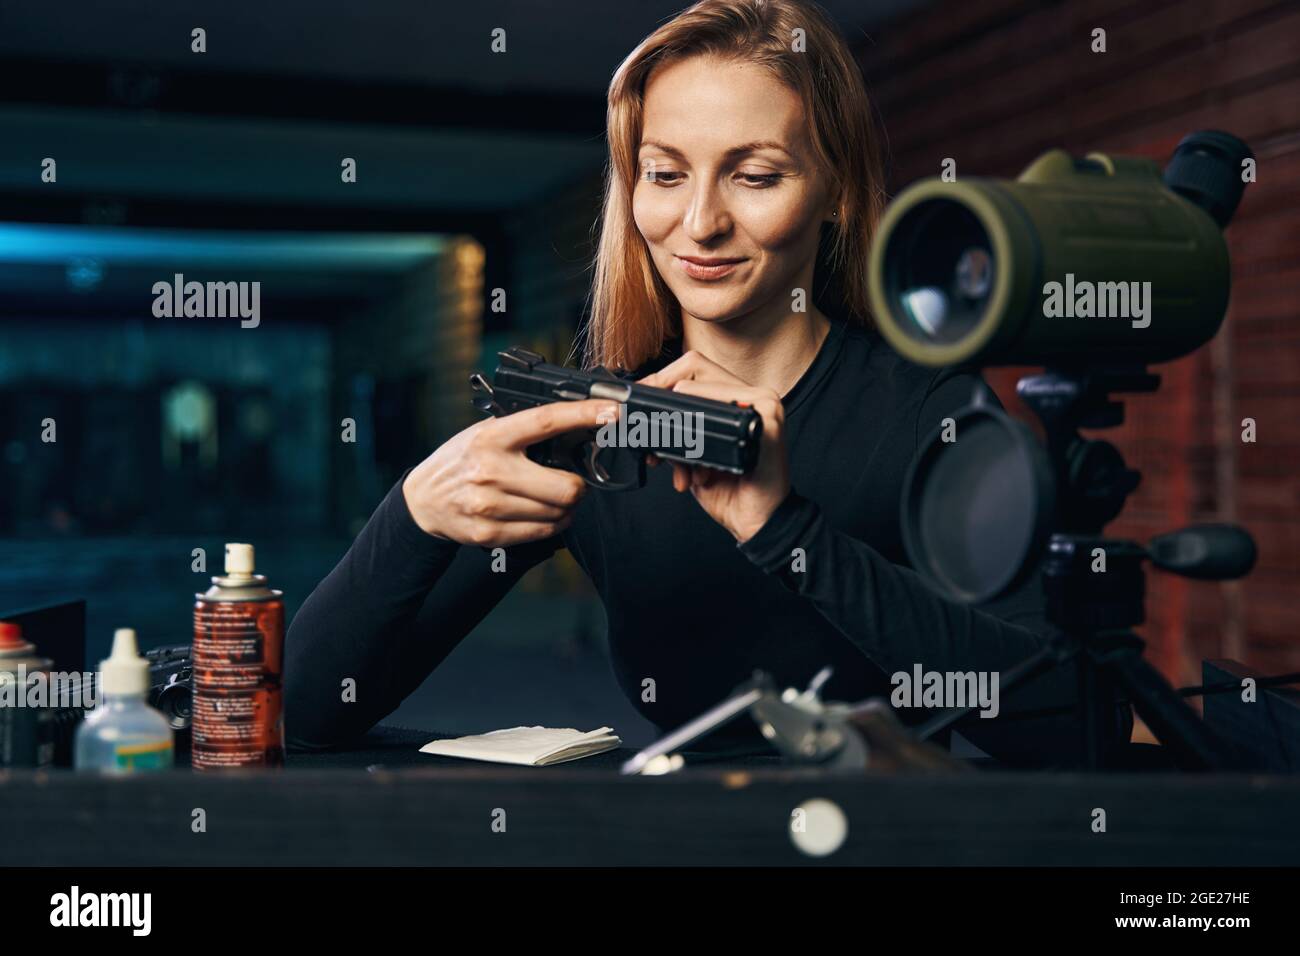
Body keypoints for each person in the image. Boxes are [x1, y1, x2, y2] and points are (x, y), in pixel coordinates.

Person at [285, 0, 1083, 766]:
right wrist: (415, 511)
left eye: (755, 176)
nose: (700, 222)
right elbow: (306, 715)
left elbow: (1069, 729)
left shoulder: (930, 411)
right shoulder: (588, 428)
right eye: (665, 175)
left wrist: (786, 534)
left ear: (835, 191)